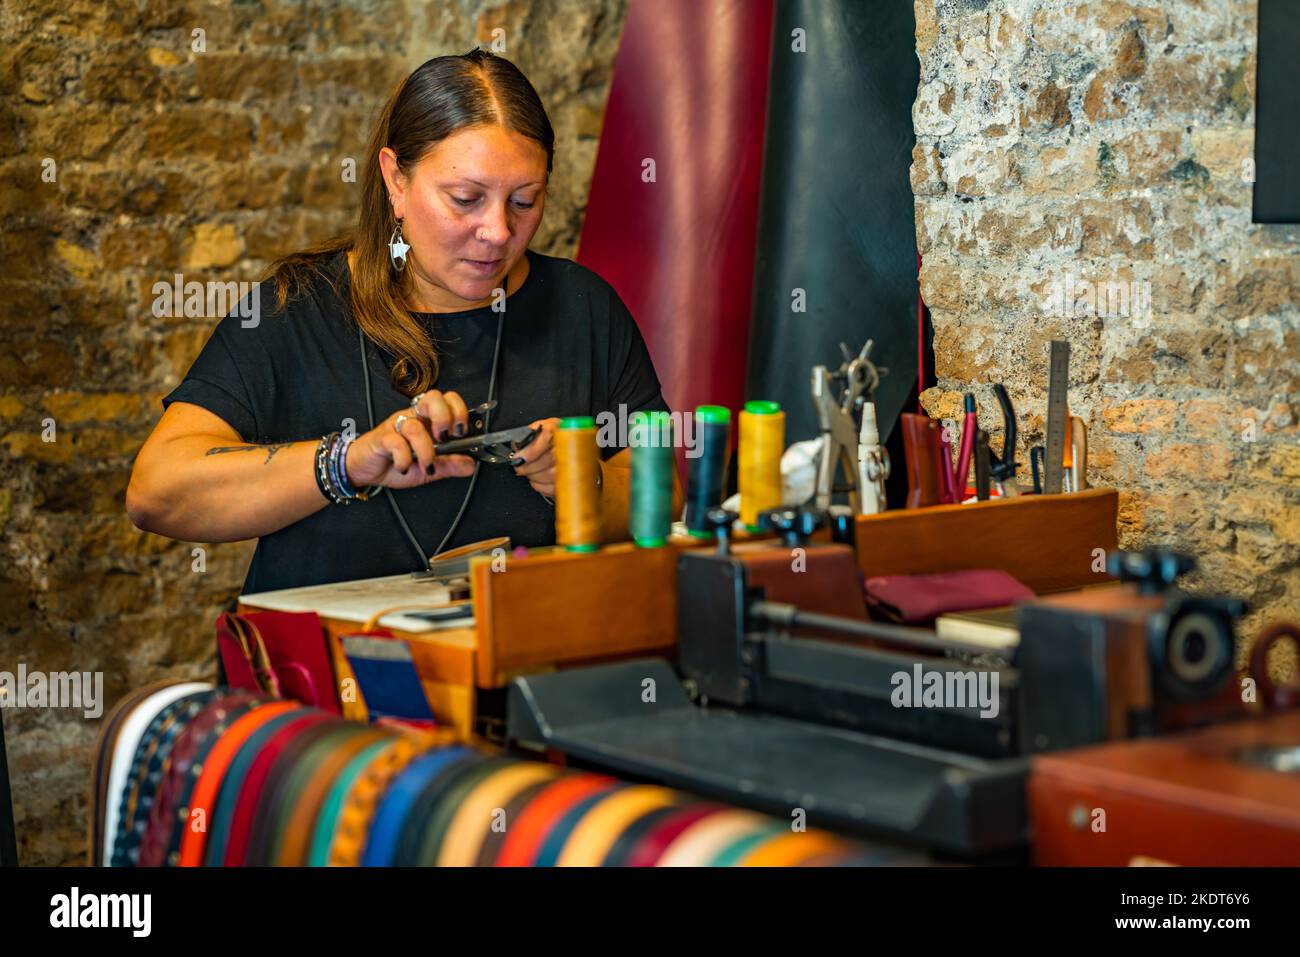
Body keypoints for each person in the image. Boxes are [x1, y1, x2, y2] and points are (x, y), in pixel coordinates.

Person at [127, 49, 679, 594]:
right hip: (330, 672)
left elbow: (665, 497)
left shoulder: (582, 307)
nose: (498, 232)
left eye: (524, 201)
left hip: (519, 666)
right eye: (465, 199)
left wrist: (586, 483)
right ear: (395, 180)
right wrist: (343, 463)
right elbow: (158, 493)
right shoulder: (296, 310)